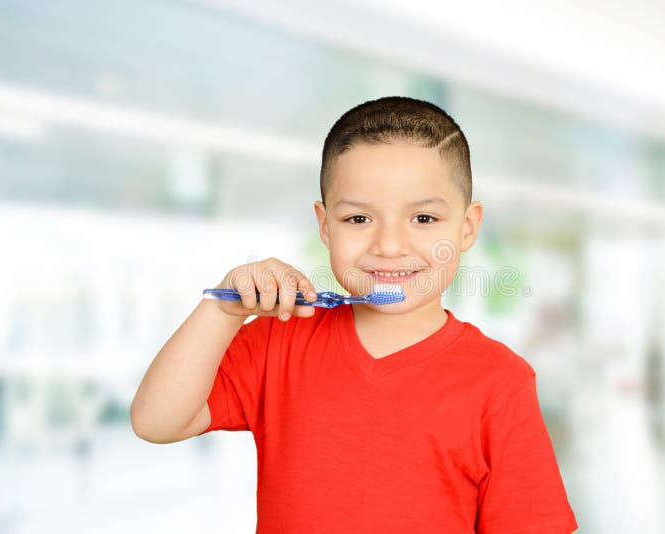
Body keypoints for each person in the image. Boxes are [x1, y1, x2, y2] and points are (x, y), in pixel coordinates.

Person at [130, 96, 578, 533]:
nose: (389, 245)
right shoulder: (279, 340)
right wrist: (223, 311)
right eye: (358, 220)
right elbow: (156, 421)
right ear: (325, 226)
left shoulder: (500, 381)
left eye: (423, 219)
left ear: (467, 228)